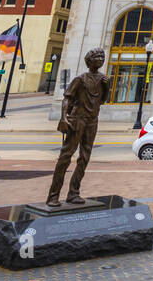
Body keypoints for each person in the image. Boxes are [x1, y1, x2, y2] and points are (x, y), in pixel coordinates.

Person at [46, 47, 110, 207]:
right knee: (65, 157)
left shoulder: (103, 80)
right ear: (89, 60)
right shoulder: (80, 80)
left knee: (85, 157)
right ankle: (53, 196)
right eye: (97, 57)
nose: (100, 60)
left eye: (102, 57)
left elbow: (102, 101)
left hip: (92, 121)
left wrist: (107, 87)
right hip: (77, 120)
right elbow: (67, 99)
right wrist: (63, 117)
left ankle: (73, 193)